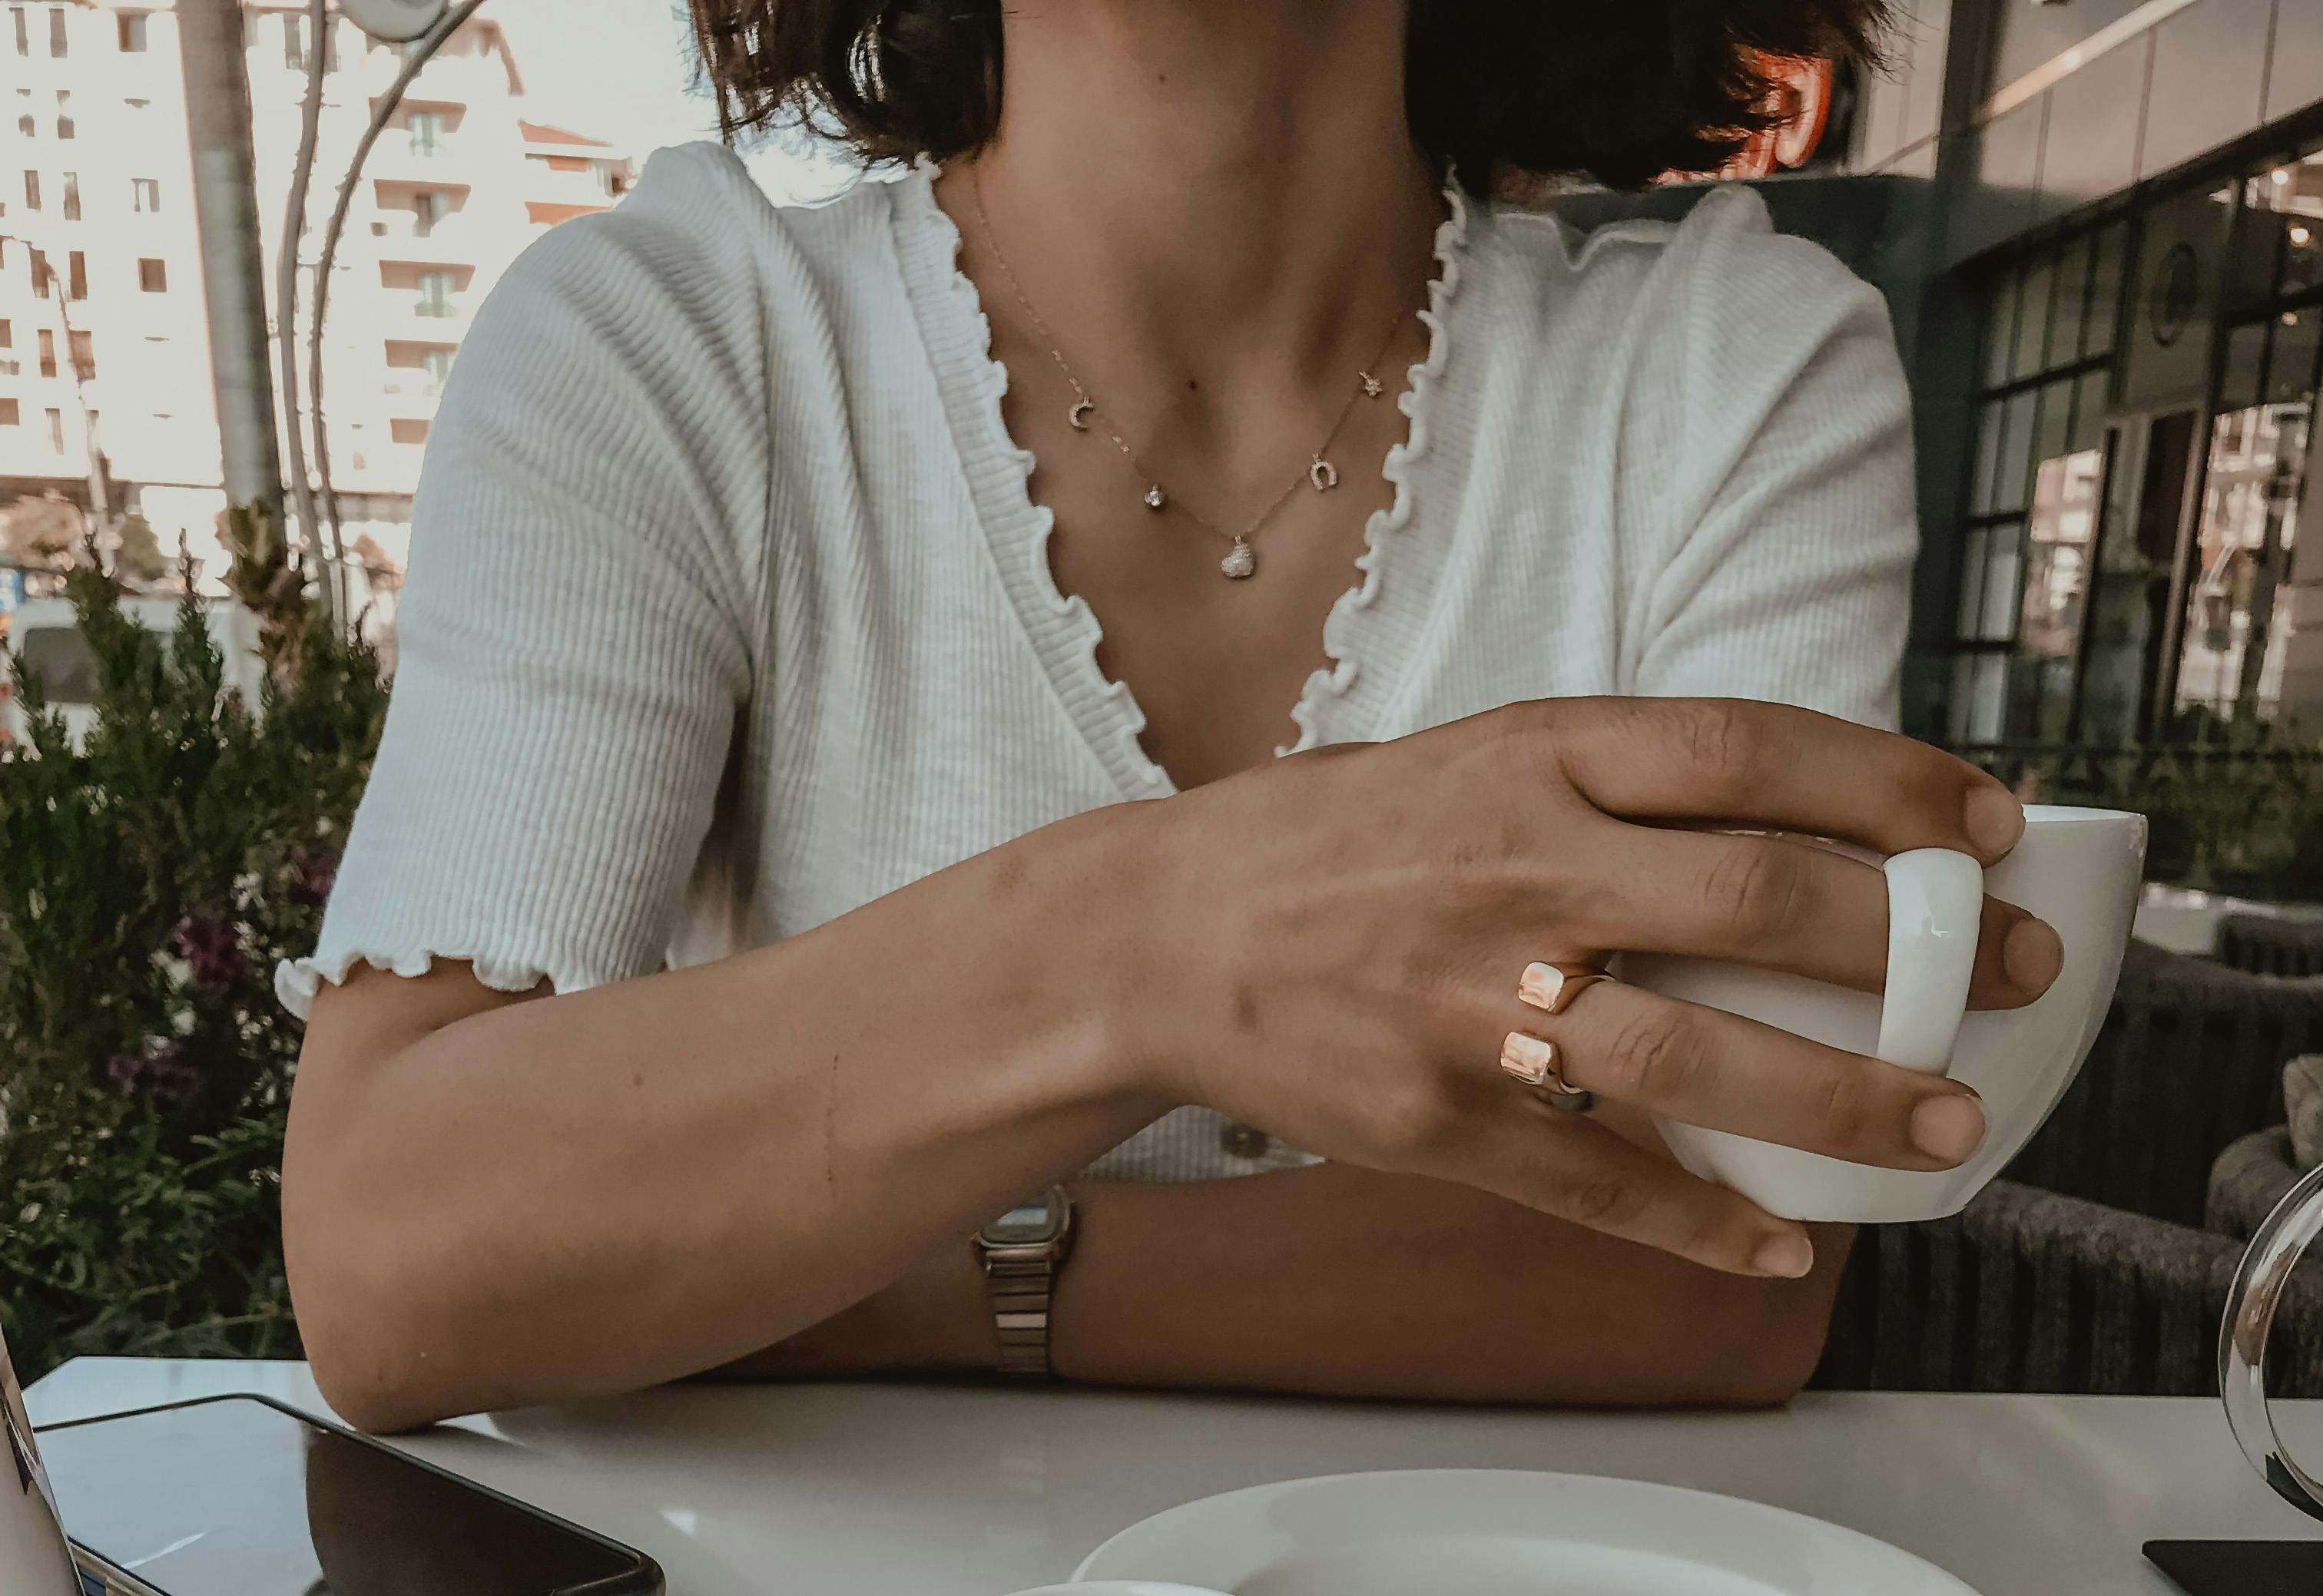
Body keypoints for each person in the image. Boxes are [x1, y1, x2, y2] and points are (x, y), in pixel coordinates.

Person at [280, 0, 2063, 1434]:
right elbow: (395, 1247)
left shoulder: (1730, 370)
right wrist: (1150, 947)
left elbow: (1726, 1263)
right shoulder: (667, 345)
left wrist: (862, 1273)